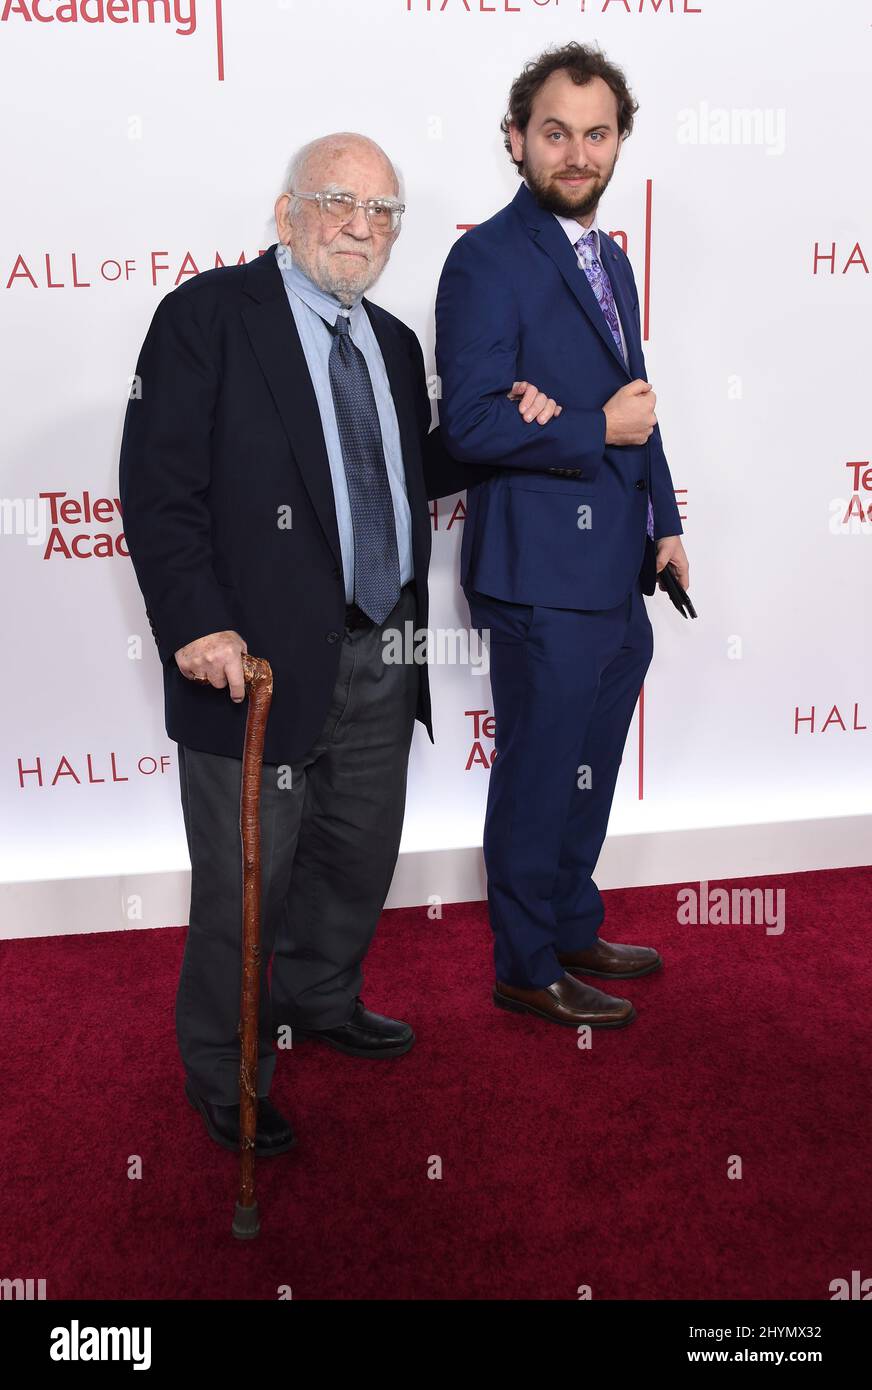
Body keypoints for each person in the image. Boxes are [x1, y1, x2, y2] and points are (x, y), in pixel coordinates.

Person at [119, 131, 556, 1153]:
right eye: (338, 202)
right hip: (253, 667)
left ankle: (317, 997)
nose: (361, 227)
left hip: (381, 650)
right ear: (287, 214)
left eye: (383, 212)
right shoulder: (205, 320)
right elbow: (159, 484)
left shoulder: (393, 344)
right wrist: (194, 621)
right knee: (245, 885)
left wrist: (508, 424)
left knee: (355, 856)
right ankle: (226, 1072)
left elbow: (403, 472)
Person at [435, 43, 690, 1030]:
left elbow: (639, 401)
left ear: (617, 140)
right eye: (554, 132)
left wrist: (663, 521)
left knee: (587, 762)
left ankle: (571, 923)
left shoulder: (610, 258)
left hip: (612, 567)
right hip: (536, 570)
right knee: (540, 769)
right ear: (515, 139)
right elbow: (468, 425)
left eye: (595, 133)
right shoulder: (486, 259)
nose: (575, 152)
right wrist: (591, 430)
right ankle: (523, 962)